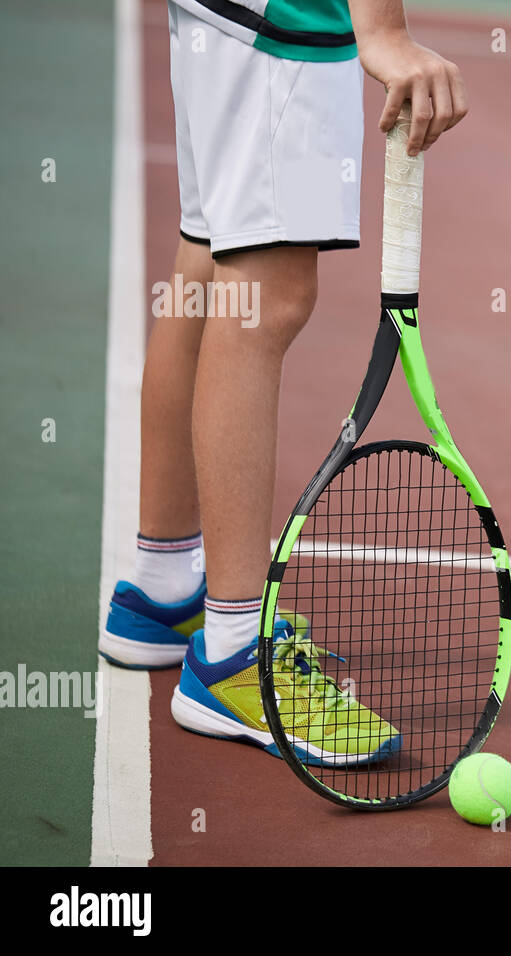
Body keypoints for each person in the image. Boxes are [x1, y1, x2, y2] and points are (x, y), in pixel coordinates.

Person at [99, 0, 465, 764]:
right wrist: (383, 30)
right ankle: (233, 655)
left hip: (229, 15)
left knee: (209, 261)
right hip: (281, 13)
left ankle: (162, 592)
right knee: (266, 297)